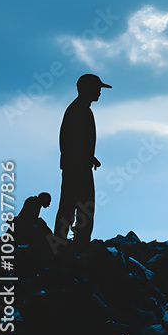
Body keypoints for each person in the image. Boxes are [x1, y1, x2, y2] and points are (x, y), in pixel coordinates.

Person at [55, 73, 111, 244]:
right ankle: (76, 243)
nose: (99, 92)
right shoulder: (80, 111)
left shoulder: (78, 109)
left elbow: (74, 140)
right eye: (97, 88)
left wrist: (89, 157)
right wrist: (82, 160)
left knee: (71, 206)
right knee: (81, 207)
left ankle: (63, 242)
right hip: (77, 169)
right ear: (87, 89)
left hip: (76, 166)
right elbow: (72, 141)